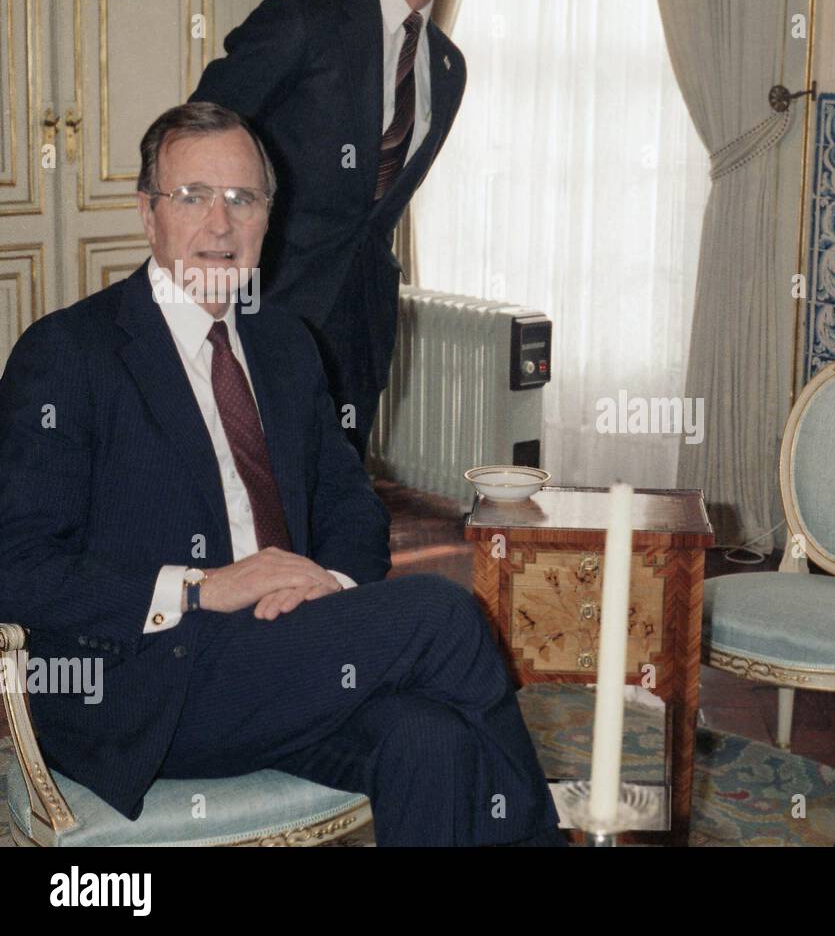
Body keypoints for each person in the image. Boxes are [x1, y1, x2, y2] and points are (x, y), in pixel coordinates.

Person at [0, 102, 562, 846]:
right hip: (146, 686)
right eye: (192, 196)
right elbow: (17, 567)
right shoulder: (70, 352)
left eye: (244, 199)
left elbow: (349, 505)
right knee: (443, 613)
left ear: (269, 217)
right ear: (147, 214)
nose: (221, 225)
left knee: (432, 738)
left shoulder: (286, 344)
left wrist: (324, 584)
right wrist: (201, 587)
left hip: (287, 657)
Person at [191, 0, 465, 457]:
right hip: (267, 301)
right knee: (250, 485)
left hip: (362, 321)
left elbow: (378, 207)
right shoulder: (306, 15)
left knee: (339, 487)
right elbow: (198, 135)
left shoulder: (448, 66)